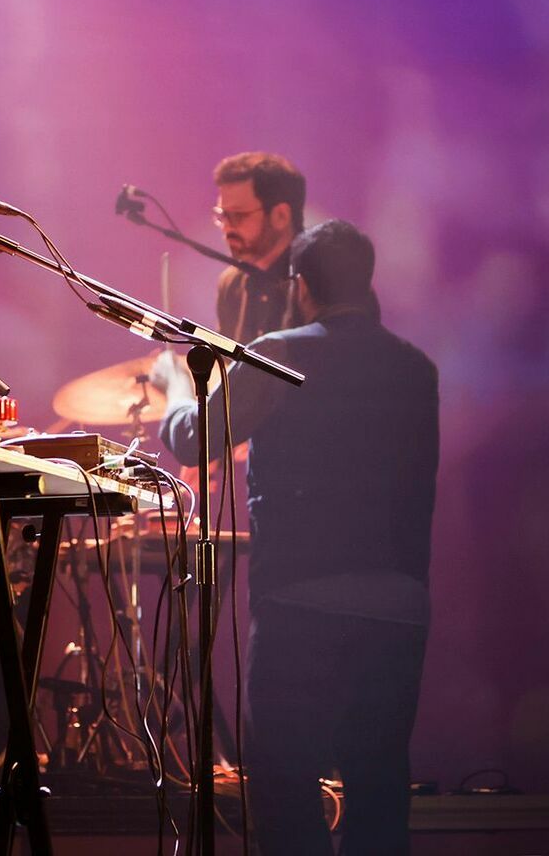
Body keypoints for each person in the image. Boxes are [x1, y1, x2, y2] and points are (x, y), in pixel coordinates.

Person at [151, 220, 439, 856]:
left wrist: (176, 390)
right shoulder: (416, 368)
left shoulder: (282, 352)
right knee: (379, 782)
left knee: (285, 784)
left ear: (301, 286)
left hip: (301, 603)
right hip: (399, 604)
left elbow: (197, 437)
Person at [211, 151, 306, 343]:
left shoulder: (318, 281)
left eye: (238, 215)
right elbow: (227, 366)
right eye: (222, 215)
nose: (227, 227)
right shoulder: (231, 284)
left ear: (281, 216)